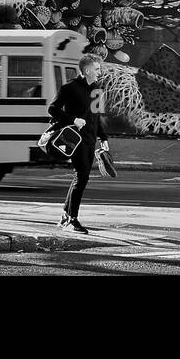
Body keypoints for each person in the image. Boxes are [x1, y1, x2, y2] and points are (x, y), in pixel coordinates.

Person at [48, 53, 108, 233]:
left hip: (90, 140)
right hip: (75, 140)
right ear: (87, 70)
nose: (99, 72)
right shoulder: (70, 88)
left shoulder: (97, 88)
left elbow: (96, 117)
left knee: (81, 178)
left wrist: (103, 138)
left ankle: (66, 216)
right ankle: (72, 219)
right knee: (81, 177)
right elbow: (52, 109)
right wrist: (73, 119)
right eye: (97, 69)